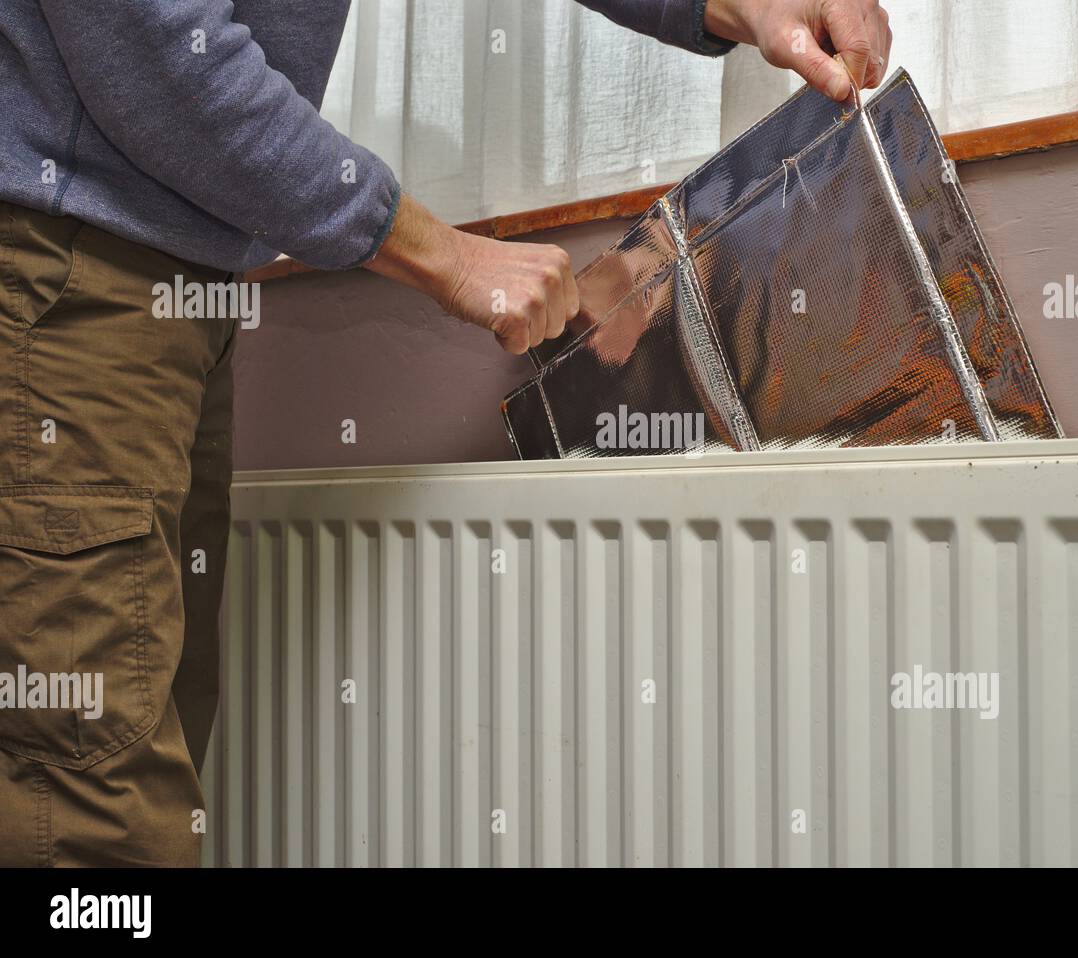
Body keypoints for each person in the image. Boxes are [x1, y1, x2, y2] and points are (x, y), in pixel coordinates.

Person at [0, 0, 891, 867]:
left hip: (172, 283)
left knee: (149, 729)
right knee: (87, 793)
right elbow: (151, 46)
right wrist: (446, 255)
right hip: (65, 269)